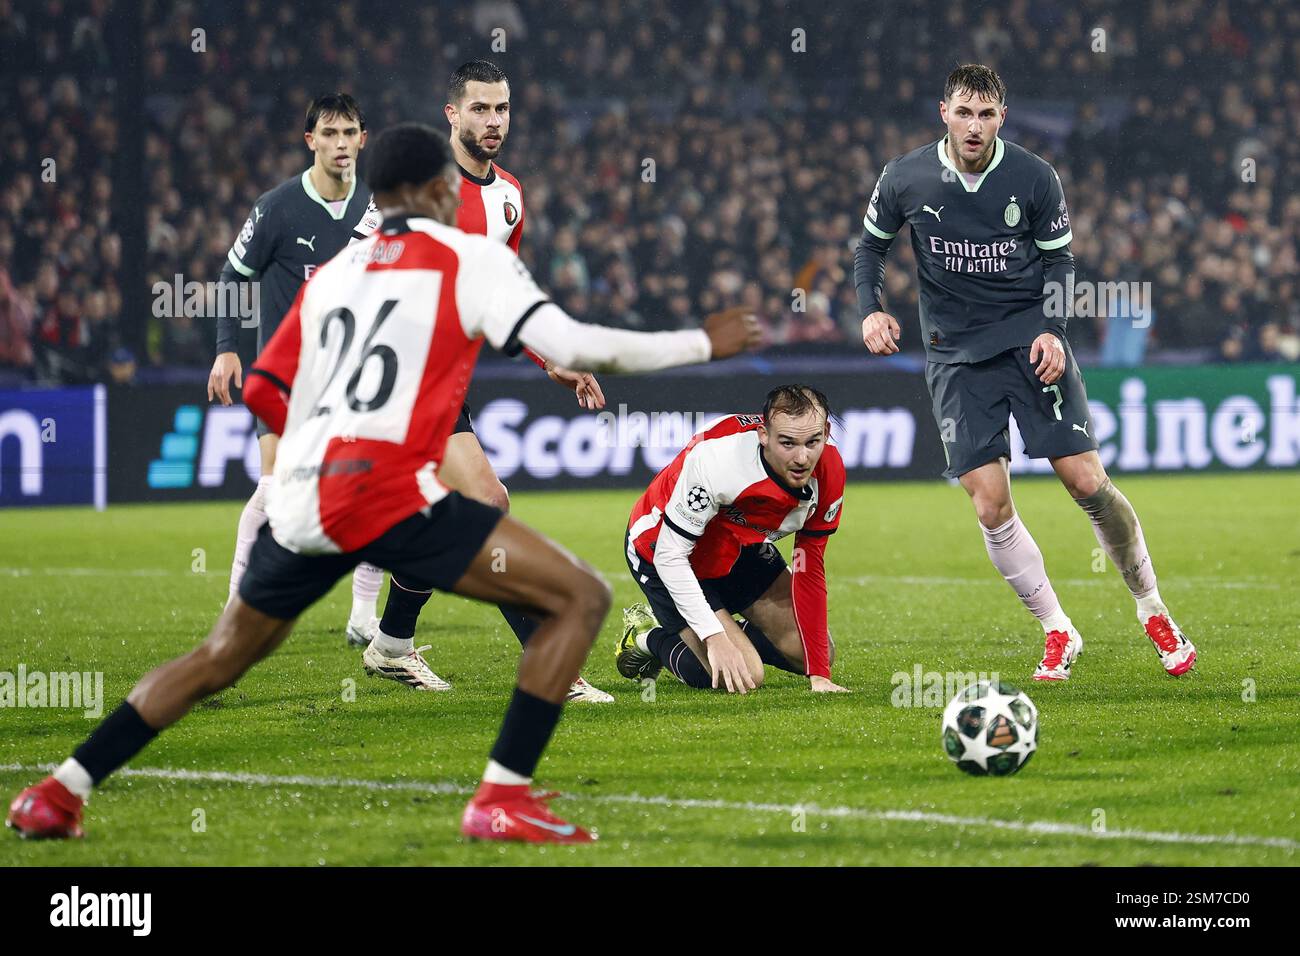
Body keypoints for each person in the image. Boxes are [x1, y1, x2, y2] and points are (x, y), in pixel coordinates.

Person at [6, 122, 761, 845]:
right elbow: (573, 342)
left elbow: (268, 387)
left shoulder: (336, 273)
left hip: (306, 501)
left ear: (375, 191)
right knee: (581, 596)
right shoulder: (468, 257)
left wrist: (302, 460)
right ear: (439, 189)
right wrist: (703, 341)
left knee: (218, 658)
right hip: (387, 499)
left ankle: (60, 790)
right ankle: (500, 800)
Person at [855, 64, 1194, 681]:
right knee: (989, 505)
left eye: (986, 115)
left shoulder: (1034, 177)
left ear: (1001, 118)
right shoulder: (904, 177)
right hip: (955, 356)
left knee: (1087, 482)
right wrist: (871, 310)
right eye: (964, 112)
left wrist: (1053, 330)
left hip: (1030, 344)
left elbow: (1060, 262)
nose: (975, 126)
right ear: (944, 113)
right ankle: (1058, 629)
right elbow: (869, 247)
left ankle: (1152, 607)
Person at [356, 60, 614, 703]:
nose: (493, 121)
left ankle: (390, 645)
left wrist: (548, 357)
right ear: (452, 114)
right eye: (479, 109)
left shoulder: (509, 198)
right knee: (485, 504)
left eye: (501, 109)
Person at [206, 92, 389, 642]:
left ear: (362, 138)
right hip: (288, 374)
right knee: (276, 490)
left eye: (349, 133)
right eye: (329, 134)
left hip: (357, 376)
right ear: (310, 141)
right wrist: (226, 346)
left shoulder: (377, 208)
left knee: (377, 491)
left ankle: (362, 617)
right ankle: (236, 611)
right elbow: (233, 277)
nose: (340, 144)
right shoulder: (276, 208)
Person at [616, 385, 850, 694]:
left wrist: (820, 675)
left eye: (812, 442)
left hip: (736, 546)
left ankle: (725, 632)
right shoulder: (719, 461)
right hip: (662, 550)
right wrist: (714, 638)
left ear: (826, 432)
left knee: (813, 651)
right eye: (788, 443)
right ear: (763, 433)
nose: (802, 457)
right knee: (743, 676)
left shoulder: (829, 471)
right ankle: (649, 635)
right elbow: (670, 555)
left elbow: (809, 566)